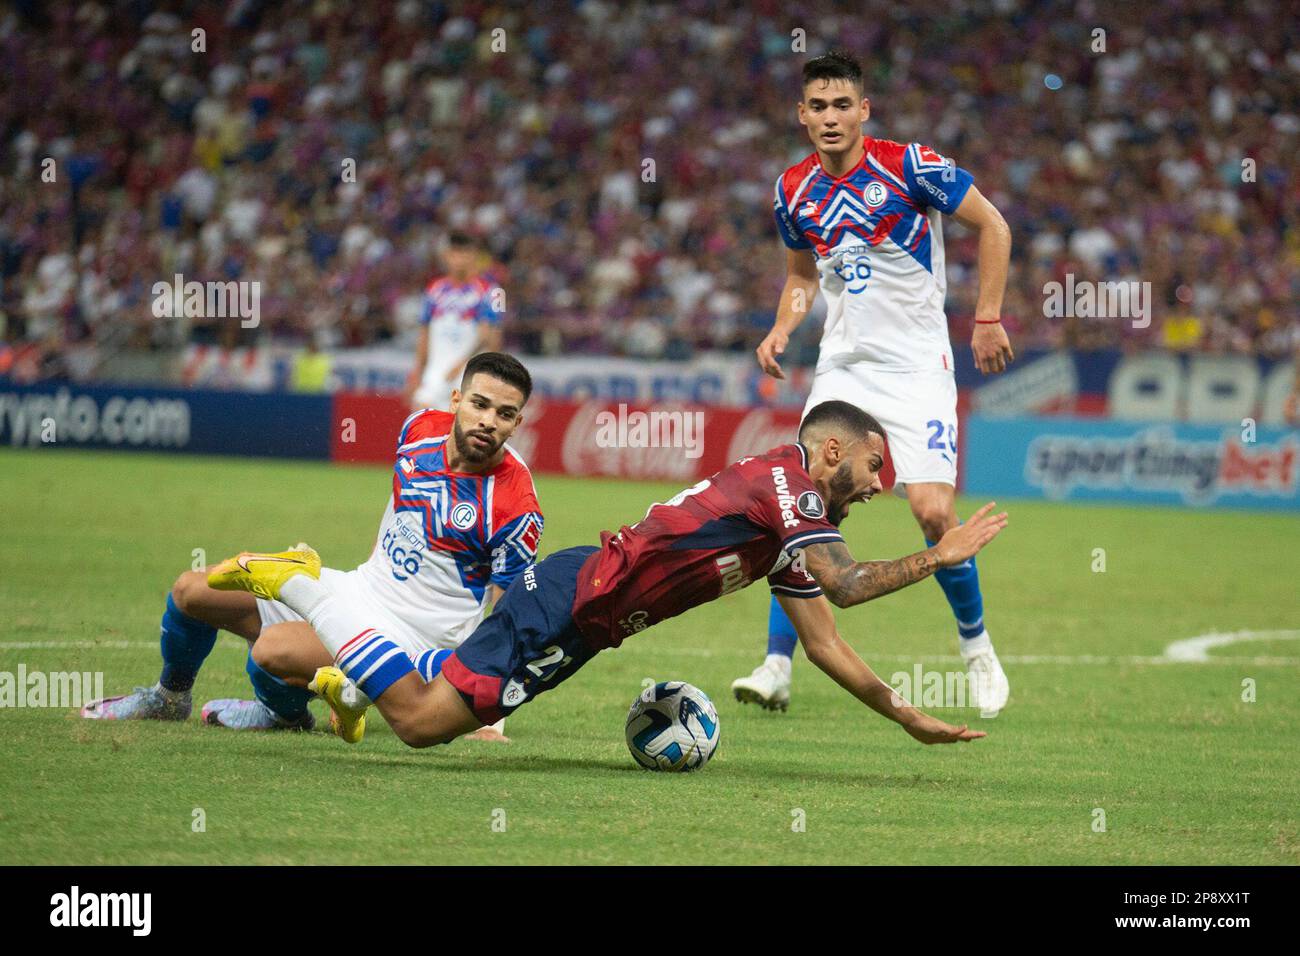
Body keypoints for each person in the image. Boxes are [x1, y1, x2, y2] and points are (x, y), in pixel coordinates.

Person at [206, 401, 1007, 749]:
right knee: (418, 723)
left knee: (430, 714)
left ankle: (345, 683)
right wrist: (939, 553)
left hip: (585, 626)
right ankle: (306, 583)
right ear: (832, 451)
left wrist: (905, 716)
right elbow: (848, 583)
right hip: (572, 596)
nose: (878, 485)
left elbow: (827, 640)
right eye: (873, 467)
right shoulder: (787, 485)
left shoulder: (788, 525)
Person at [733, 51, 1016, 716]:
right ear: (802, 116)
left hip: (919, 367)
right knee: (804, 508)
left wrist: (988, 317)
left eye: (842, 105)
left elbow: (994, 225)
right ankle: (776, 664)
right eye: (818, 107)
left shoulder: (911, 166)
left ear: (864, 110)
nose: (830, 118)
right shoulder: (792, 191)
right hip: (843, 367)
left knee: (933, 512)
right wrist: (782, 329)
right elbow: (803, 279)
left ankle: (975, 646)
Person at [82, 352, 543, 744]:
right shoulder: (419, 428)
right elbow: (398, 516)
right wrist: (353, 582)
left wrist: (492, 717)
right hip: (359, 592)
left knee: (272, 649)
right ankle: (168, 699)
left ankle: (285, 715)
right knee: (193, 592)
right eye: (479, 404)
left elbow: (510, 619)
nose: (488, 421)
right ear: (456, 400)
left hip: (415, 641)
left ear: (517, 422)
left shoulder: (516, 507)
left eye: (504, 414)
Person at [405, 231, 504, 412]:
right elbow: (424, 335)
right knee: (420, 427)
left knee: (458, 435)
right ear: (446, 256)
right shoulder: (434, 289)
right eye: (454, 253)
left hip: (468, 377)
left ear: (474, 255)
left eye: (464, 253)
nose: (459, 259)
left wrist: (470, 368)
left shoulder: (494, 292)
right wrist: (416, 373)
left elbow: (492, 339)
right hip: (435, 376)